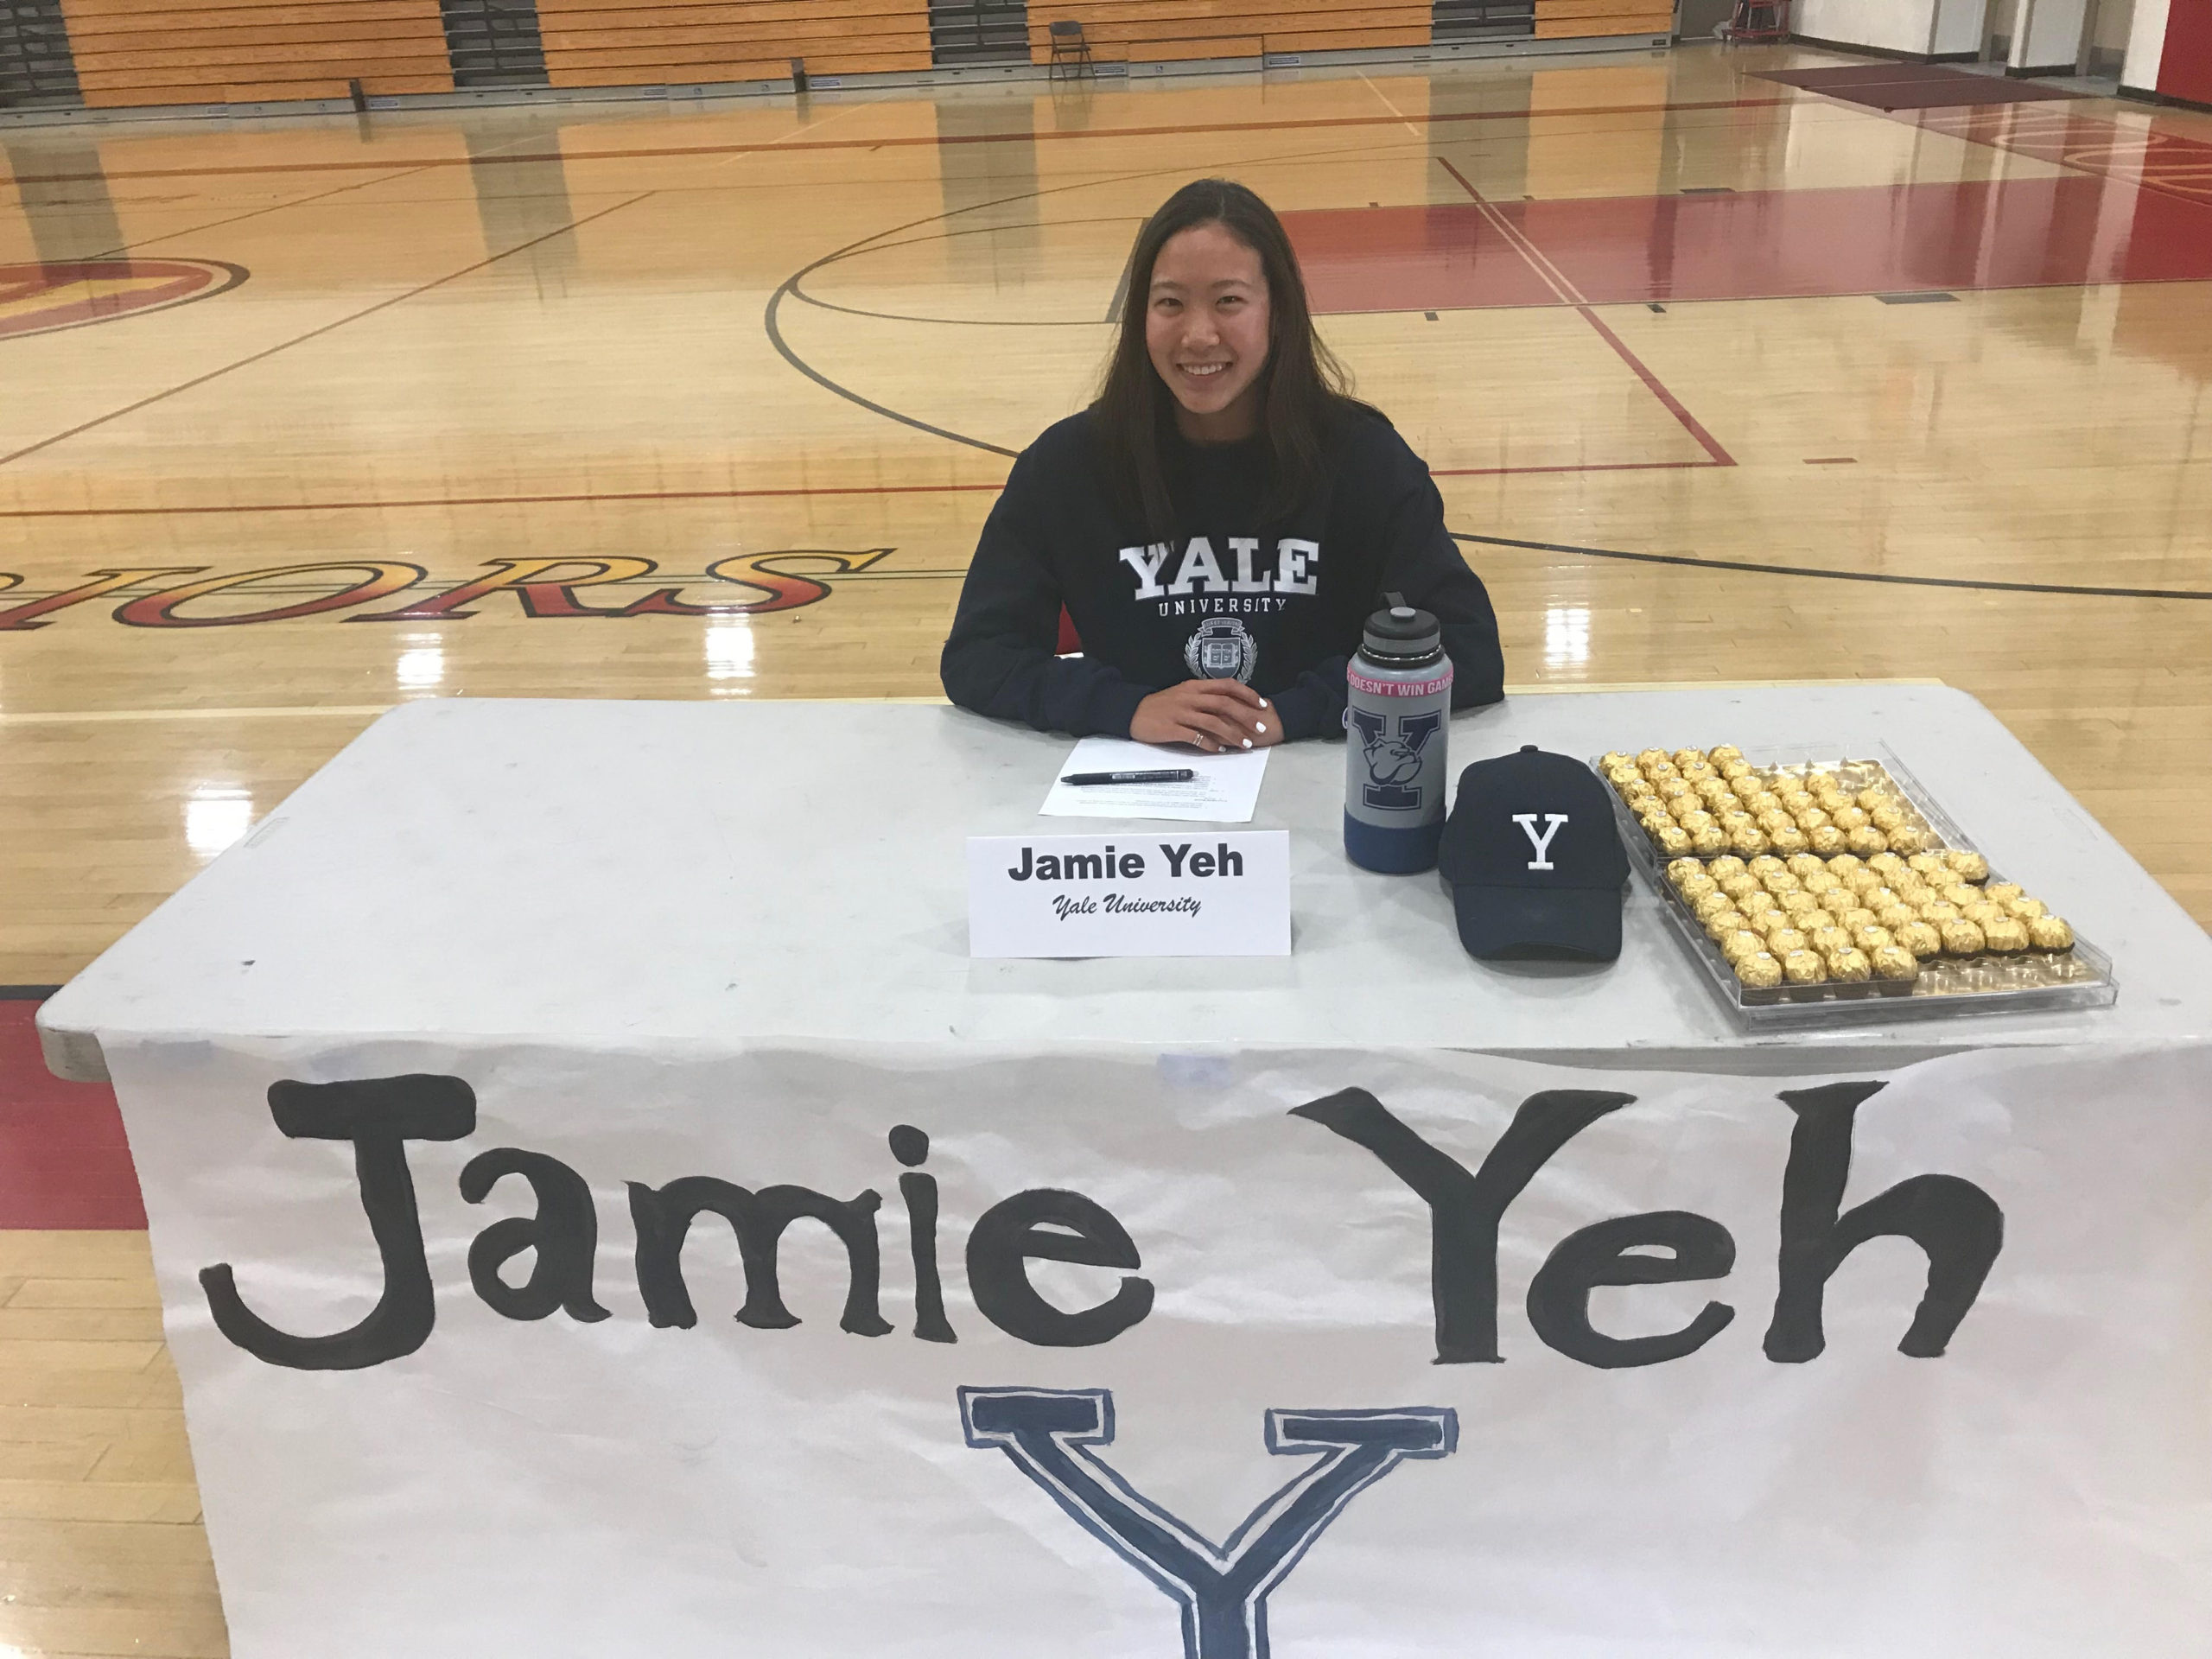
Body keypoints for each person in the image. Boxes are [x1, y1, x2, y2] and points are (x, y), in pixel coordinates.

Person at [940, 177, 1503, 754]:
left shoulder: (1365, 462)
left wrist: (1296, 711)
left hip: (1321, 791)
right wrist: (1125, 708)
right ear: (1140, 316)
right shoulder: (1066, 468)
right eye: (1170, 303)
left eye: (1229, 300)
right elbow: (979, 657)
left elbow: (1469, 650)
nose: (1199, 334)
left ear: (1277, 311)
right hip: (1137, 804)